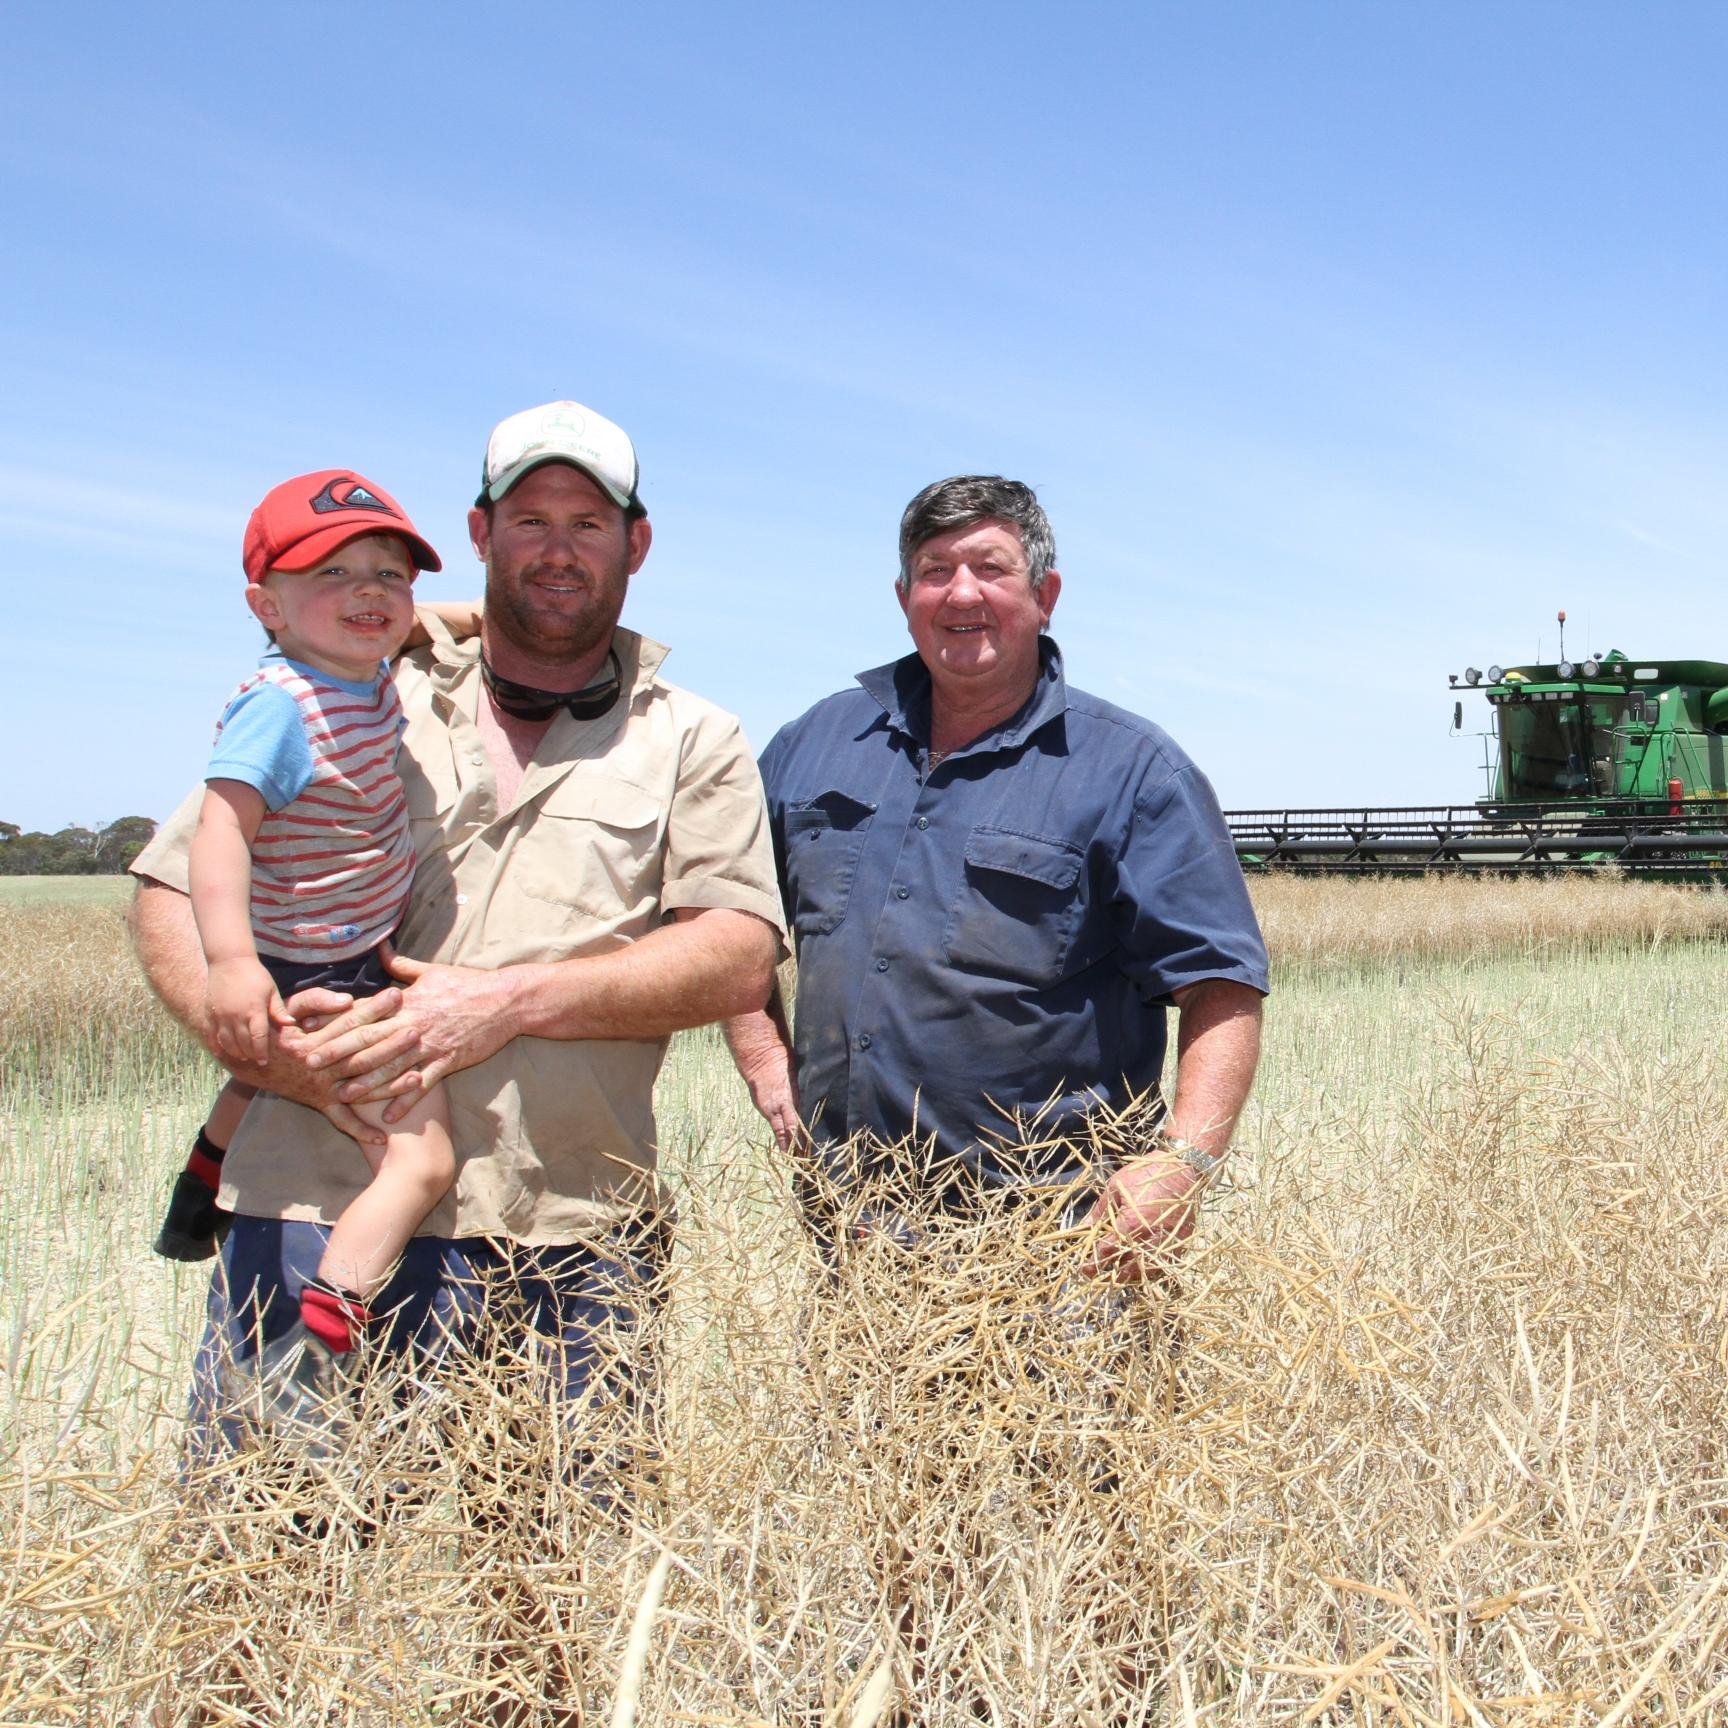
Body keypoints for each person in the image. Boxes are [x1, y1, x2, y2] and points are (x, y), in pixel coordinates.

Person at [129, 399, 786, 1454]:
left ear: (637, 544)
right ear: (479, 535)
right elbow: (175, 885)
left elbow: (737, 957)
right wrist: (255, 1040)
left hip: (569, 1238)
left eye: (588, 523)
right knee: (274, 1575)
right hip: (317, 1214)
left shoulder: (694, 736)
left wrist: (506, 1003)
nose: (558, 549)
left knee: (546, 1594)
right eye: (529, 519)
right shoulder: (352, 675)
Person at [725, 474, 1267, 1268]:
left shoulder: (1134, 771)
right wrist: (765, 1056)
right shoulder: (815, 743)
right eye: (936, 569)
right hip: (853, 1235)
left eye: (990, 567)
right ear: (903, 593)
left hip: (1060, 1243)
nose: (961, 593)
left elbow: (1221, 983)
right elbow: (728, 914)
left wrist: (1183, 1162)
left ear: (1045, 594)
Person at [148, 470, 466, 1427]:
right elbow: (220, 833)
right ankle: (336, 1306)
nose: (371, 592)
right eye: (333, 573)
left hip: (328, 945)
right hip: (318, 960)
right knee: (422, 1159)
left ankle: (202, 1181)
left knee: (256, 1076)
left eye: (389, 573)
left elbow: (416, 616)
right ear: (266, 605)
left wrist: (484, 618)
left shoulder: (355, 668)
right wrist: (233, 965)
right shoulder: (282, 705)